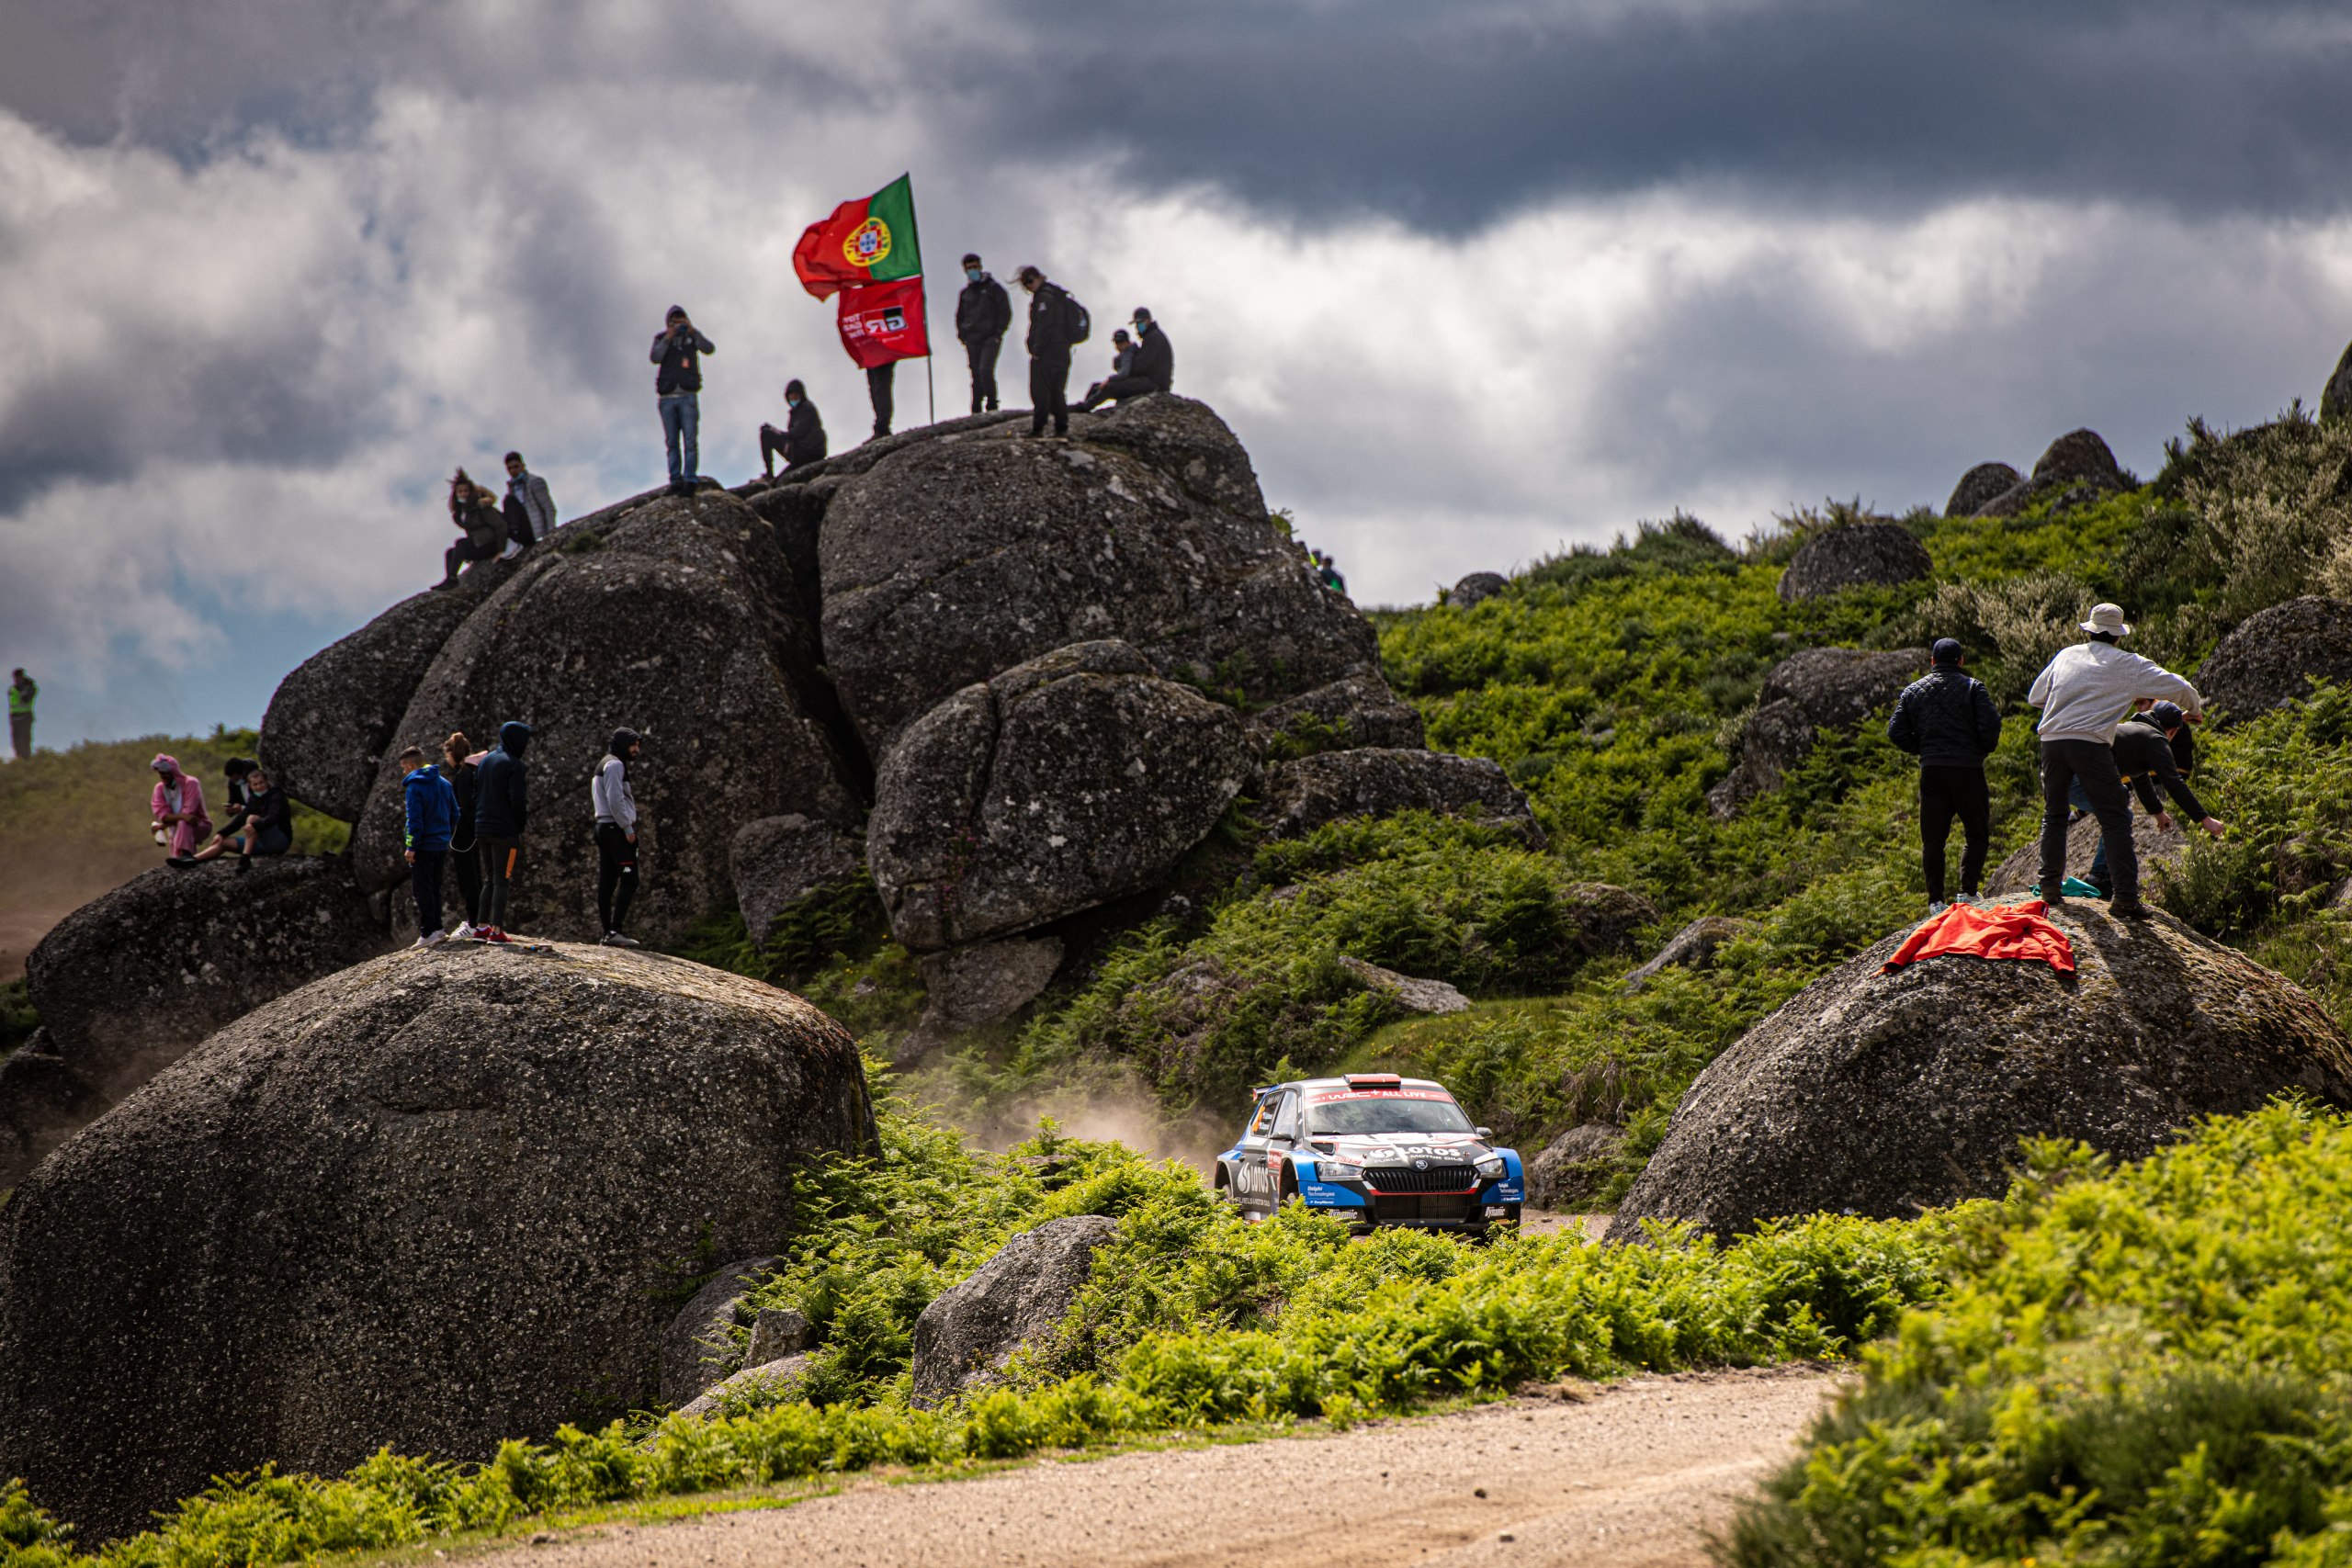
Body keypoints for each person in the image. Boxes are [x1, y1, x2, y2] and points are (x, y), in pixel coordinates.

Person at [2025, 603, 2204, 917]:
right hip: (2090, 744)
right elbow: (2179, 686)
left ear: (2090, 630)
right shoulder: (2129, 665)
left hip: (2051, 742)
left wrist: (2070, 702)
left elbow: (2035, 697)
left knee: (2054, 814)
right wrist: (2195, 709)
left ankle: (2050, 888)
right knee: (2117, 816)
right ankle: (2125, 899)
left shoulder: (2066, 655)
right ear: (2119, 636)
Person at [1886, 638, 2004, 914]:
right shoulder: (1973, 687)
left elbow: (1895, 731)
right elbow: (1991, 724)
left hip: (1933, 771)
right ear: (1961, 661)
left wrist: (1923, 749)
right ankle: (1967, 892)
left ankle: (1935, 901)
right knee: (1976, 832)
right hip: (1968, 770)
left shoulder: (1913, 691)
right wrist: (1980, 749)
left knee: (1933, 840)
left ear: (1932, 661)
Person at [2073, 700, 2228, 897]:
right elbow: (2174, 782)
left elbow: (2139, 777)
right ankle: (2100, 878)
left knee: (2118, 811)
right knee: (2119, 815)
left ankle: (2095, 876)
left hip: (2065, 770)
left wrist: (2158, 812)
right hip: (2078, 777)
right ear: (2173, 731)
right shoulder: (2155, 739)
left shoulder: (2136, 730)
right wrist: (2206, 820)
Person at [473, 720, 533, 942]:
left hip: (482, 827)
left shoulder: (485, 761)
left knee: (489, 878)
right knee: (502, 880)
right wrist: (519, 825)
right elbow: (518, 800)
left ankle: (481, 927)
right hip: (504, 831)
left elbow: (476, 793)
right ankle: (497, 931)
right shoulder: (514, 765)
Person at [650, 306, 716, 493]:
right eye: (674, 321)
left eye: (681, 320)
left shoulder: (691, 338)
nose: (678, 324)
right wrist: (668, 337)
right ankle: (675, 480)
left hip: (688, 395)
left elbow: (709, 349)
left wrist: (693, 331)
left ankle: (690, 479)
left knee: (690, 441)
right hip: (667, 397)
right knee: (672, 443)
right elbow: (655, 357)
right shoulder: (661, 338)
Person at [398, 745, 458, 947]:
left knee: (421, 890)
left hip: (423, 846)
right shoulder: (444, 783)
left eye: (404, 768)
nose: (403, 772)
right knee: (435, 887)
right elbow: (455, 813)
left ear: (411, 765)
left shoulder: (414, 787)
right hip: (441, 844)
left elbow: (414, 820)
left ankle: (428, 932)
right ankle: (438, 928)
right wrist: (444, 833)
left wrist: (411, 846)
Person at [1017, 265, 1082, 438]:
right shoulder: (1057, 294)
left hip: (1048, 352)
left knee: (1041, 391)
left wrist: (1036, 350)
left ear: (1039, 277)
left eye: (1030, 281)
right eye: (1025, 284)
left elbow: (1044, 326)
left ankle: (1038, 429)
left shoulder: (1044, 298)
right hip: (1063, 351)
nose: (1029, 286)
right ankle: (1061, 428)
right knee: (1057, 391)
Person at [592, 728, 643, 947]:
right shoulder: (614, 764)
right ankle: (614, 930)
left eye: (638, 745)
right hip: (615, 829)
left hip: (604, 827)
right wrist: (628, 829)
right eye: (633, 744)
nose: (636, 749)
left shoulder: (605, 763)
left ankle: (608, 932)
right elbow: (615, 799)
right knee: (630, 880)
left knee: (608, 881)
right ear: (622, 744)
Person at [187, 764, 291, 872]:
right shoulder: (253, 799)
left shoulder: (276, 795)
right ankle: (192, 860)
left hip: (279, 841)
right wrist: (221, 833)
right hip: (260, 844)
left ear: (267, 782)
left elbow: (273, 817)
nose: (259, 787)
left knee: (252, 818)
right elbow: (240, 819)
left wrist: (255, 826)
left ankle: (245, 859)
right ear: (250, 786)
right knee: (222, 842)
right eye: (255, 784)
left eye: (261, 783)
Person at [1080, 307, 1174, 410]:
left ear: (1148, 321)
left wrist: (1122, 370)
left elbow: (1140, 367)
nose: (1137, 326)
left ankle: (1084, 407)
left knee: (1110, 387)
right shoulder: (1151, 337)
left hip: (1155, 384)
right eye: (1136, 324)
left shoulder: (1153, 337)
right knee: (1099, 386)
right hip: (1150, 381)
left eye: (1140, 323)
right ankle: (1084, 405)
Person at [956, 254, 1012, 414]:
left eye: (974, 267)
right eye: (968, 268)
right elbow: (959, 316)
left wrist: (998, 333)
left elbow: (1005, 311)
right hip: (972, 340)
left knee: (986, 370)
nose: (972, 270)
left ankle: (992, 405)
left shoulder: (994, 288)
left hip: (990, 337)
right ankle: (976, 409)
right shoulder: (965, 293)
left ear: (980, 267)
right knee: (975, 374)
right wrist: (963, 336)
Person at [442, 732, 483, 937]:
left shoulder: (464, 775)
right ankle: (481, 920)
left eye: (446, 754)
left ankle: (474, 922)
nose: (446, 759)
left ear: (453, 753)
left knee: (468, 879)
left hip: (464, 835)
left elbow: (465, 807)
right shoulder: (473, 771)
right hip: (473, 833)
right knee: (476, 876)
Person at [436, 469, 505, 590]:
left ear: (471, 491)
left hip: (491, 544)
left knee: (460, 543)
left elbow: (500, 526)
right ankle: (450, 580)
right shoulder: (461, 514)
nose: (463, 494)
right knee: (450, 553)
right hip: (478, 545)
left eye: (466, 491)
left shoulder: (481, 506)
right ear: (456, 494)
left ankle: (451, 579)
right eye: (460, 491)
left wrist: (501, 550)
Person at [151, 754, 211, 863]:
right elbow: (163, 816)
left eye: (165, 772)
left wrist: (171, 820)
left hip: (199, 825)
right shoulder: (159, 789)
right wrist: (165, 824)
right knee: (180, 823)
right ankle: (181, 857)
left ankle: (186, 854)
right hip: (176, 827)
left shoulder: (190, 783)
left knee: (184, 822)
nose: (162, 776)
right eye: (161, 772)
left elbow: (188, 814)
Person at [761, 381, 827, 479]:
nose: (793, 397)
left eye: (796, 394)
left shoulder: (807, 408)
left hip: (808, 452)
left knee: (766, 434)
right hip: (802, 454)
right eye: (791, 395)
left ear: (801, 394)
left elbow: (796, 433)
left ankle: (769, 474)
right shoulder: (796, 412)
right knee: (778, 481)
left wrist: (774, 431)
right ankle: (771, 478)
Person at [502, 452, 556, 557]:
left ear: (523, 466)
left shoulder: (535, 482)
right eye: (509, 468)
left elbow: (549, 509)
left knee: (508, 501)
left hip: (535, 531)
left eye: (516, 467)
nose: (513, 471)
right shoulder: (511, 488)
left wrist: (550, 533)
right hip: (521, 530)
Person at [1081, 329, 1134, 409]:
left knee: (1104, 388)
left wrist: (1109, 379)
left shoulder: (1128, 354)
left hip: (1127, 383)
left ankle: (1085, 406)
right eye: (1116, 342)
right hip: (1125, 382)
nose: (1118, 345)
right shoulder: (1126, 353)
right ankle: (1084, 405)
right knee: (1095, 386)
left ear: (1127, 342)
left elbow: (1124, 373)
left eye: (1121, 342)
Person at [7, 670, 31, 761]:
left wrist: (24, 689)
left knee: (25, 740)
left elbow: (27, 699)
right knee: (16, 740)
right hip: (15, 717)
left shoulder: (29, 688)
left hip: (25, 716)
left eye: (18, 678)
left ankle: (26, 759)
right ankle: (19, 759)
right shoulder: (12, 689)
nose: (16, 680)